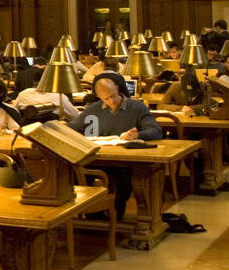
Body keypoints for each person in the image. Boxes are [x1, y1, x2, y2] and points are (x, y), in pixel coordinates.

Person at [67, 73, 163, 220]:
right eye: (105, 98)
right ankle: (95, 216)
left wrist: (138, 135)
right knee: (79, 174)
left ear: (118, 89)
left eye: (113, 95)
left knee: (125, 182)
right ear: (99, 96)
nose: (111, 101)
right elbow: (72, 128)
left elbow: (156, 131)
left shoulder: (136, 107)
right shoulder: (94, 109)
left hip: (127, 162)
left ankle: (117, 214)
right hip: (99, 159)